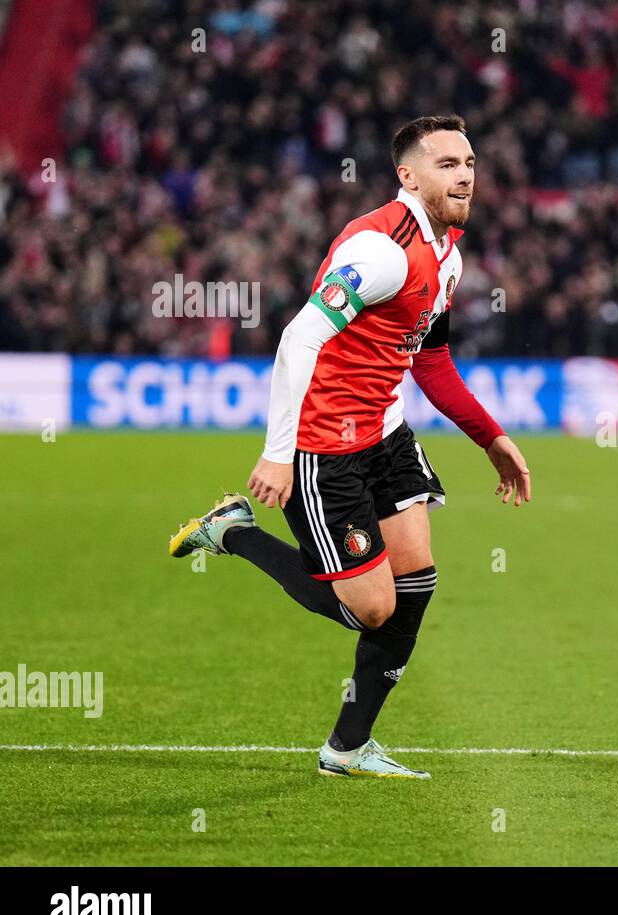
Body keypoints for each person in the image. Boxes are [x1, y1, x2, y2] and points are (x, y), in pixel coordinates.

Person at [168, 115, 531, 779]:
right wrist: (278, 453)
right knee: (371, 608)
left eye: (470, 161)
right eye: (447, 163)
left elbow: (433, 357)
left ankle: (346, 747)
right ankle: (231, 532)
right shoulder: (383, 251)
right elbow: (298, 339)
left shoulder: (446, 254)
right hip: (323, 445)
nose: (466, 174)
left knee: (416, 579)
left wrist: (492, 437)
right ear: (409, 175)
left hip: (385, 433)